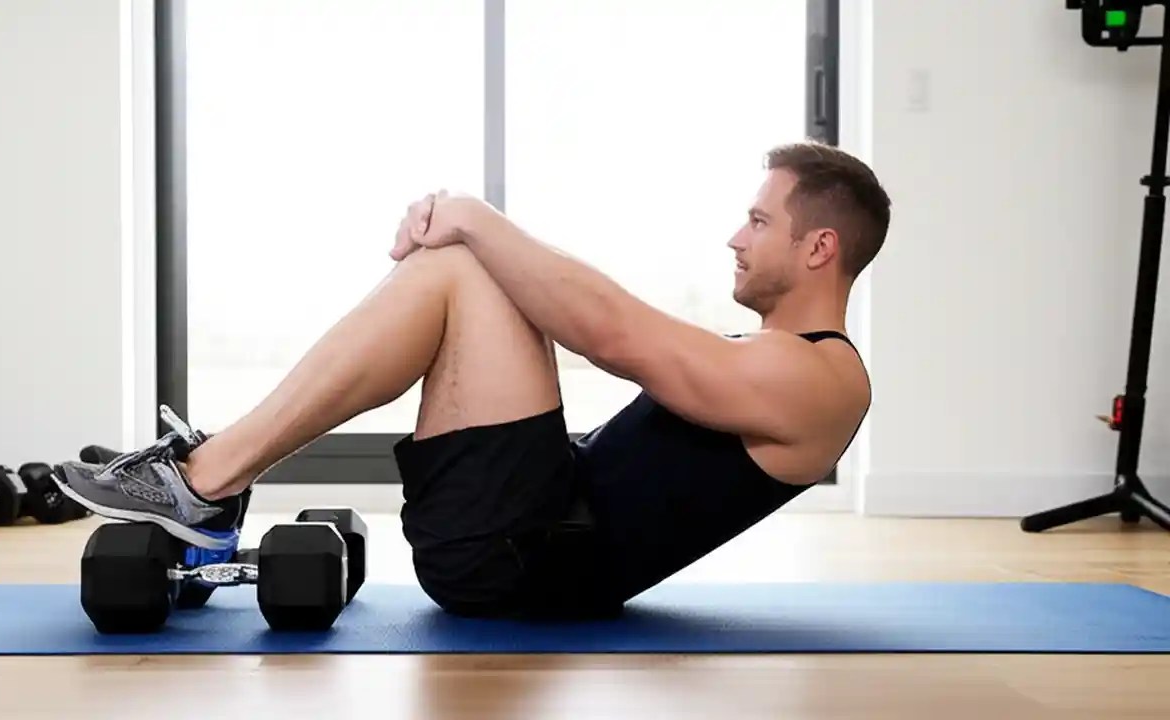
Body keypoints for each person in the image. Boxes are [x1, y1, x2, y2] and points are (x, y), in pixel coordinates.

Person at [53, 140, 890, 619]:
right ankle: (212, 483)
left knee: (465, 263)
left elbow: (615, 335)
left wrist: (476, 218)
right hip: (534, 517)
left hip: (516, 558)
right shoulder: (782, 359)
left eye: (758, 220)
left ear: (819, 247)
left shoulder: (819, 376)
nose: (735, 237)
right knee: (477, 261)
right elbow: (586, 310)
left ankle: (204, 483)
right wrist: (477, 225)